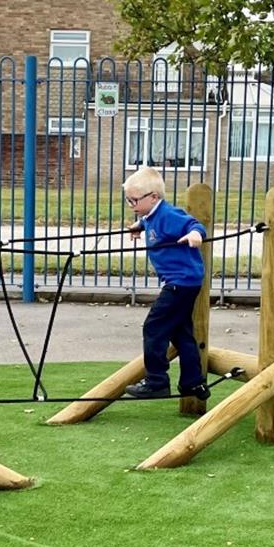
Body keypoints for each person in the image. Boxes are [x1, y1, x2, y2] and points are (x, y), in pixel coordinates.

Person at [122, 167, 210, 401]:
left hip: (179, 284)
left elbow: (193, 224)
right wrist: (139, 225)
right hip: (185, 283)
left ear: (153, 197)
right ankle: (193, 382)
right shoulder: (152, 216)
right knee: (182, 334)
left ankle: (156, 381)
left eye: (134, 200)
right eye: (128, 200)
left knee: (153, 327)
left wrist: (195, 235)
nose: (131, 205)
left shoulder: (168, 215)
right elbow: (150, 221)